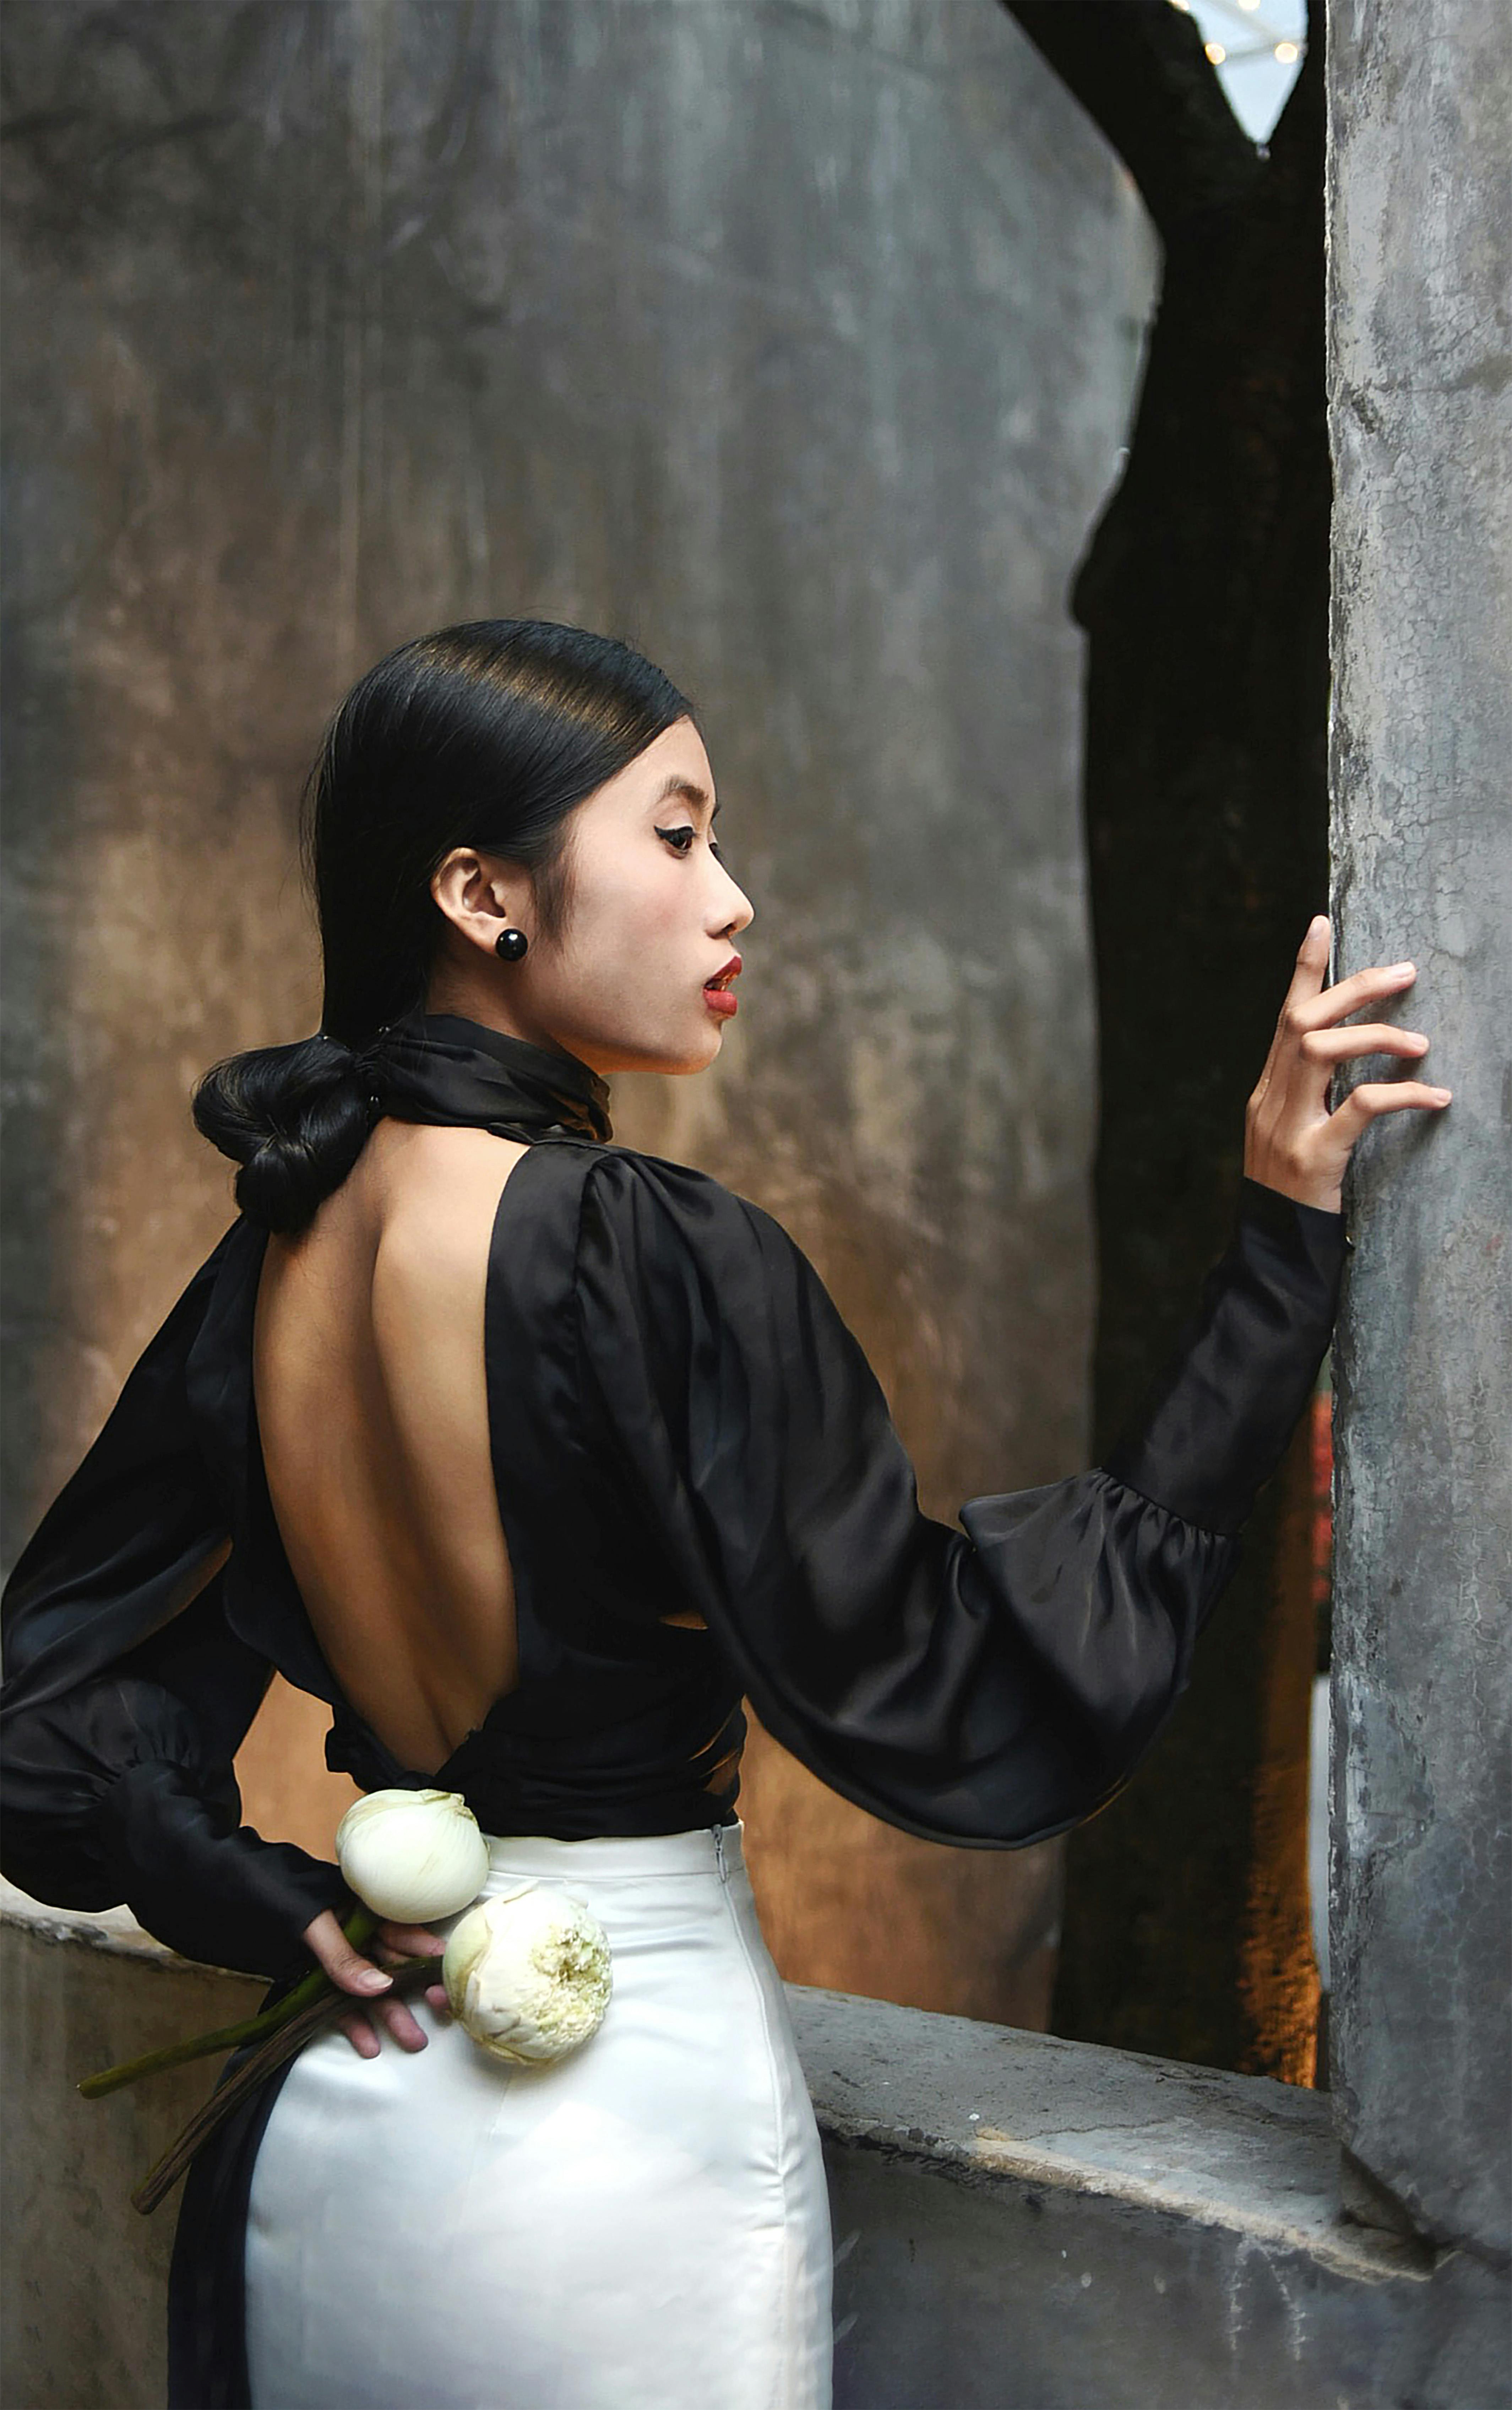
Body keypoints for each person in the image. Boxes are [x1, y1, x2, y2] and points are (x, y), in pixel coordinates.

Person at [0, 619, 1449, 2410]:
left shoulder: (274, 1252)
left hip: (336, 2134)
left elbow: (48, 1715)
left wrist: (254, 1890)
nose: (732, 896)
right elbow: (965, 1680)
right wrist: (1278, 1250)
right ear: (480, 891)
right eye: (678, 835)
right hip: (615, 2133)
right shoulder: (643, 1249)